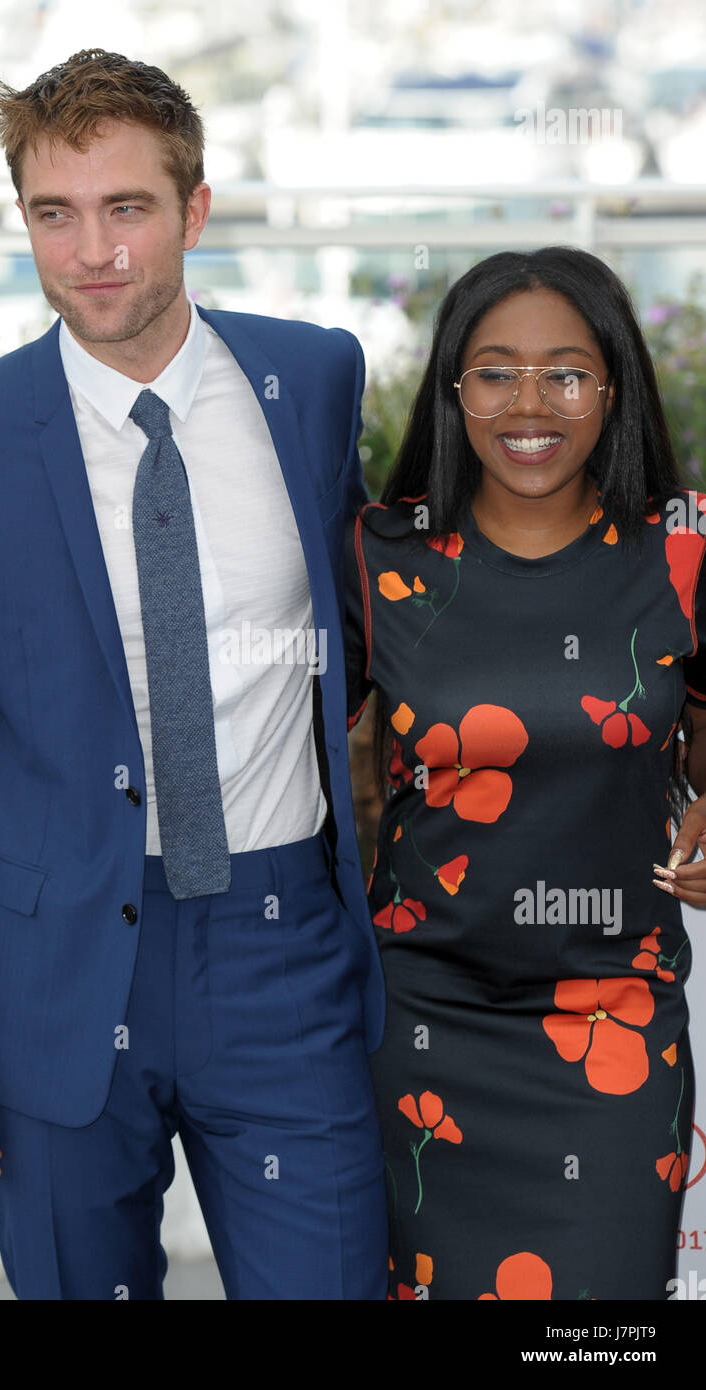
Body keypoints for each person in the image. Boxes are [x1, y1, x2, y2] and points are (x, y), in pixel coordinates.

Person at [0, 49, 388, 1301]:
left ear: (193, 210)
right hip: (49, 973)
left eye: (126, 208)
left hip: (281, 945)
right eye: (55, 213)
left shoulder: (309, 381)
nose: (92, 250)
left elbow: (371, 629)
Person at [342, 246, 706, 1300]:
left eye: (566, 370)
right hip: (423, 1022)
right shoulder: (378, 556)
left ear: (613, 385)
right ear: (454, 389)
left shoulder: (682, 547)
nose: (528, 401)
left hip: (616, 1023)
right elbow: (263, 732)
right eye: (494, 370)